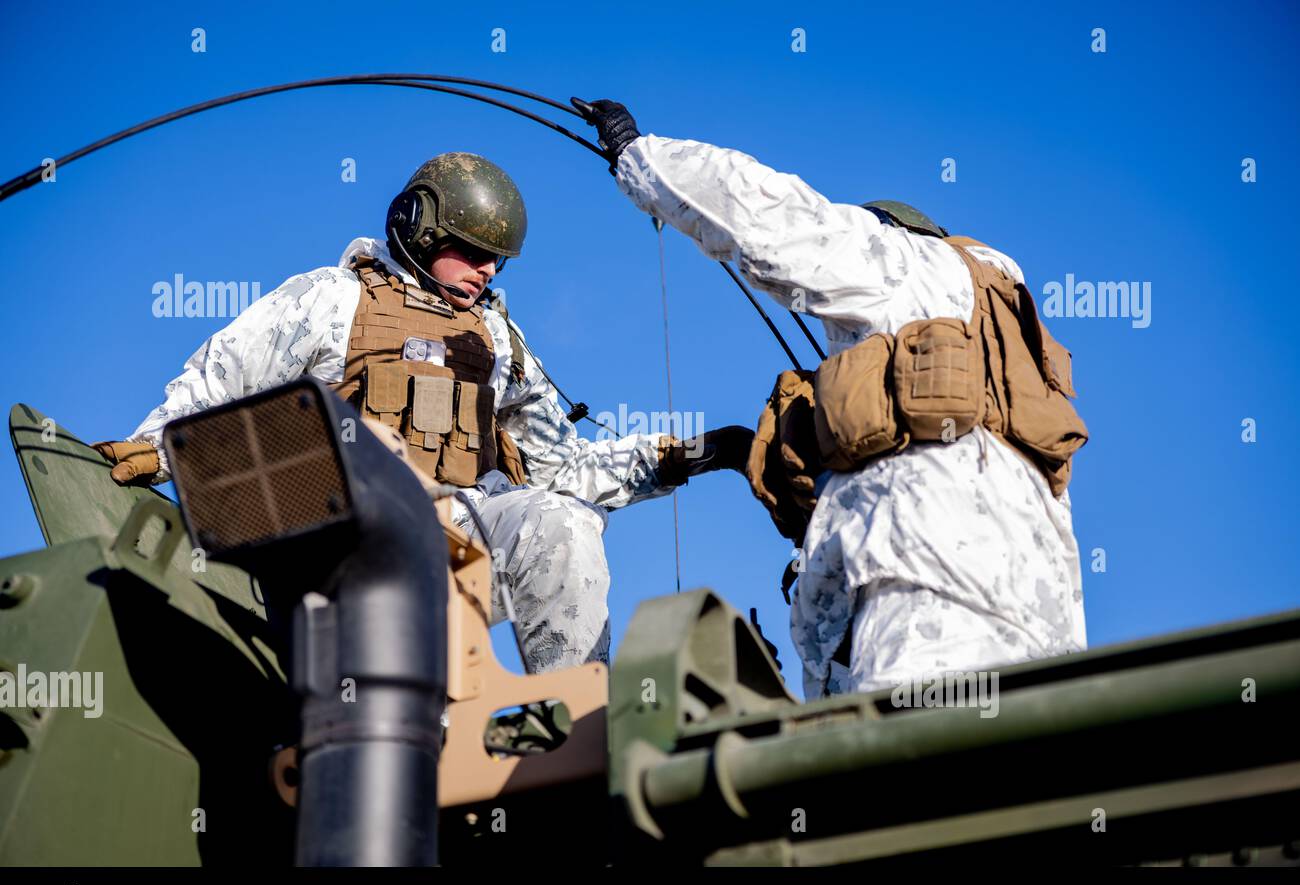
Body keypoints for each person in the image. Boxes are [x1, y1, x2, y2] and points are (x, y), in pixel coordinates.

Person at [93, 152, 752, 673]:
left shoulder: (497, 340)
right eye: (471, 248)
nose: (488, 268)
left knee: (563, 522)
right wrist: (153, 449)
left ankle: (573, 728)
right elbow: (218, 379)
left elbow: (565, 469)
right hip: (339, 540)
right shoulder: (332, 301)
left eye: (497, 259)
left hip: (457, 537)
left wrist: (694, 454)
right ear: (421, 226)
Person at [579, 100, 1088, 699]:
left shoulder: (904, 264)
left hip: (933, 600)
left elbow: (766, 214)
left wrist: (640, 158)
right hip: (1048, 627)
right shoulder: (1006, 350)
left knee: (898, 764)